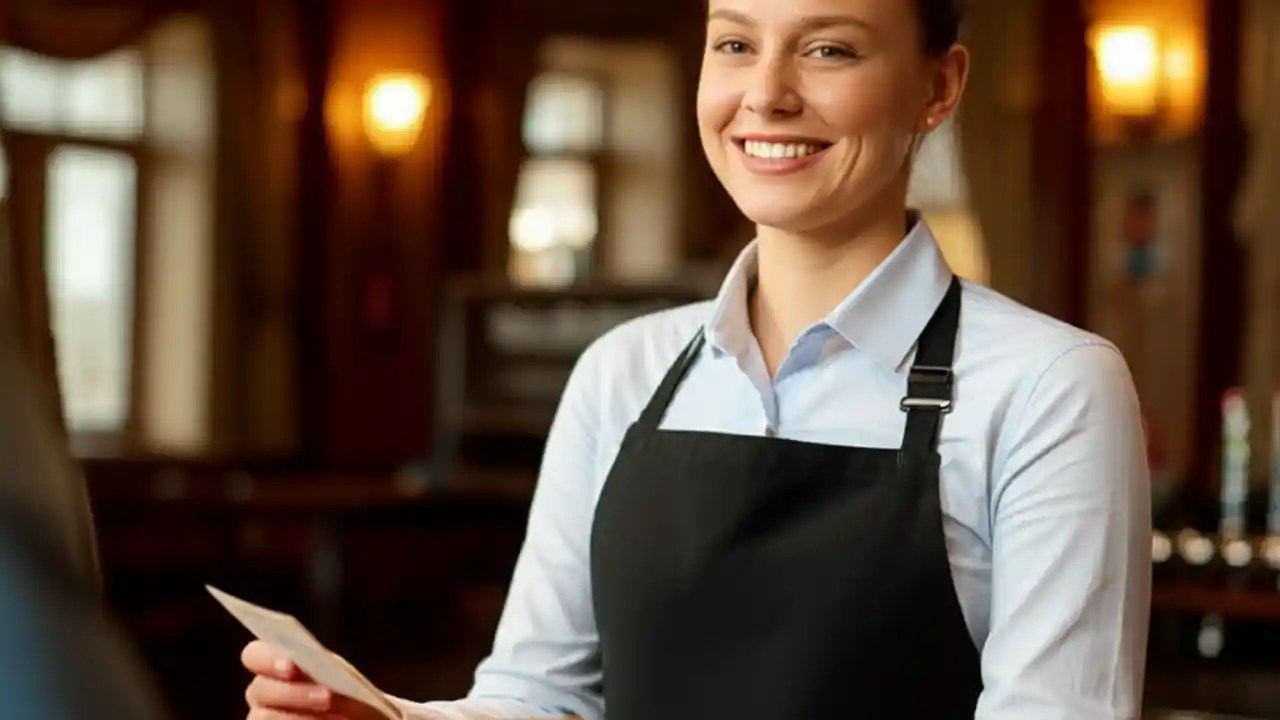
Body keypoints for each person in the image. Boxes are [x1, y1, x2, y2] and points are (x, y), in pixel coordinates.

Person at [242, 0, 1152, 717]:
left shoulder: (1049, 386)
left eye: (829, 49)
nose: (766, 95)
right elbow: (541, 697)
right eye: (734, 45)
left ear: (939, 87)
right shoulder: (622, 372)